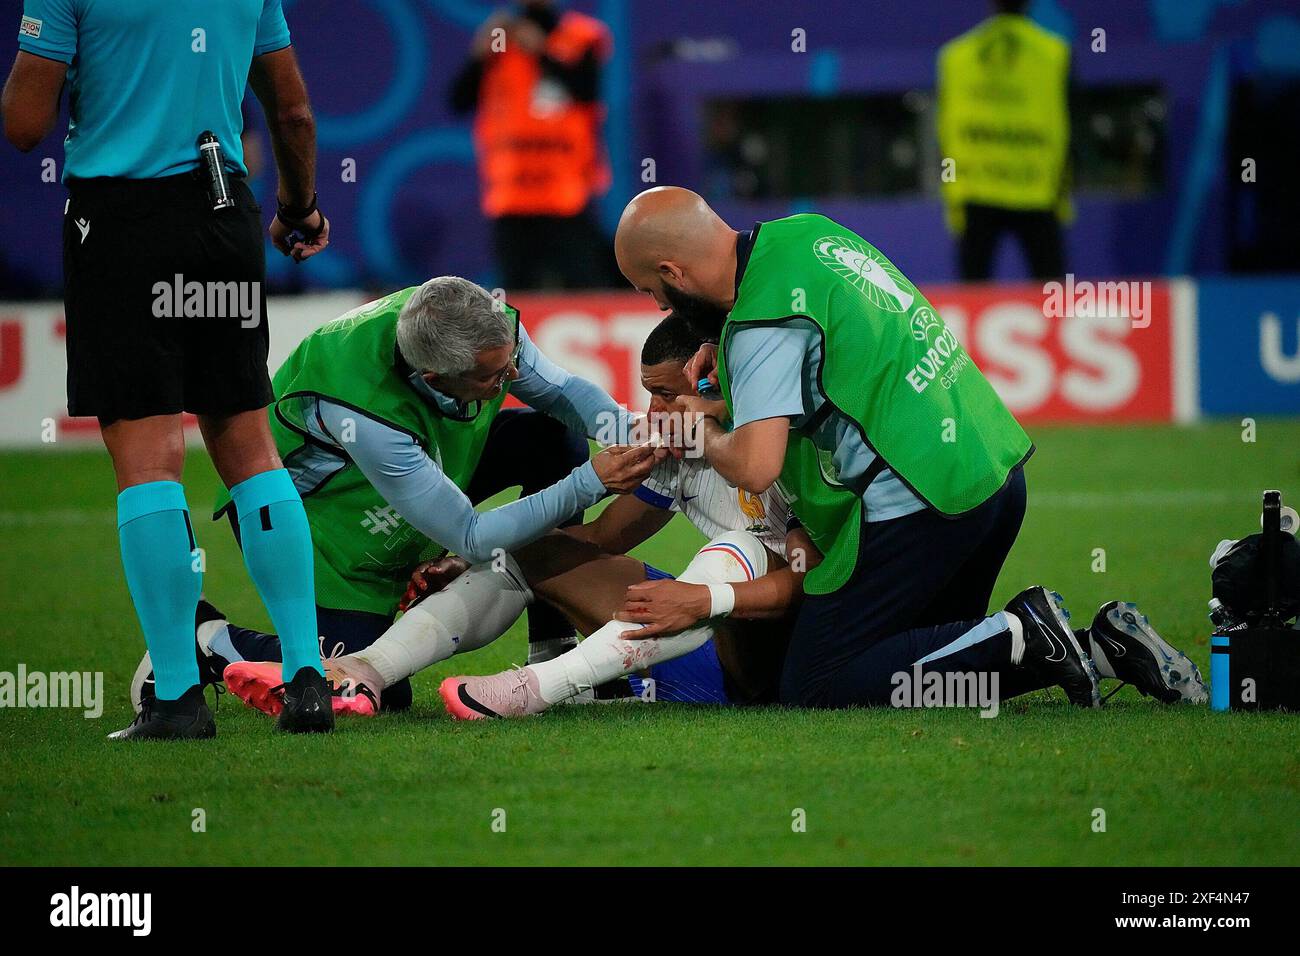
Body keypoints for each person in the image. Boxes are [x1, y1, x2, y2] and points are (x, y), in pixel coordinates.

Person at [610, 187, 1207, 711]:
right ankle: (1098, 649)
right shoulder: (805, 235)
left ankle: (1023, 633)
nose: (659, 307)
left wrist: (703, 427)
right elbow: (837, 353)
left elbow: (757, 466)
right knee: (930, 659)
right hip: (991, 472)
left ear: (674, 271)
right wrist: (727, 355)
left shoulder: (762, 324)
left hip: (921, 507)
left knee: (818, 684)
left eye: (651, 290)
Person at [4, 0, 334, 738]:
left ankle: (179, 696)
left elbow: (24, 124)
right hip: (222, 218)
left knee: (149, 461)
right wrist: (299, 208)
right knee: (249, 445)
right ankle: (309, 679)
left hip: (120, 228)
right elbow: (295, 112)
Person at [129, 276, 662, 715]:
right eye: (494, 377)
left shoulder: (470, 322)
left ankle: (552, 641)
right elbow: (474, 538)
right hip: (326, 525)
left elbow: (561, 393)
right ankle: (206, 638)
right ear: (433, 376)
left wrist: (636, 434)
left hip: (424, 472)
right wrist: (592, 480)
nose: (513, 377)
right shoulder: (358, 405)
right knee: (377, 687)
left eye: (510, 360)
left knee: (553, 435)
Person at [450, 0, 614, 289]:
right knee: (515, 296)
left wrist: (542, 51)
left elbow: (587, 91)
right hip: (512, 197)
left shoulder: (579, 37)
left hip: (565, 197)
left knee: (584, 287)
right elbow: (458, 101)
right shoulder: (498, 43)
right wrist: (478, 56)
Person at [936, 0, 1071, 280]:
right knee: (1053, 295)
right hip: (1036, 190)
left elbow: (944, 128)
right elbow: (1071, 127)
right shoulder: (1055, 53)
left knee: (973, 295)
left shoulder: (956, 55)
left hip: (978, 190)